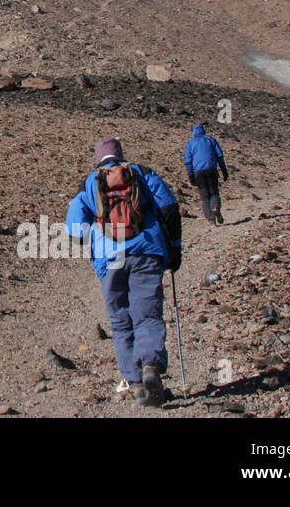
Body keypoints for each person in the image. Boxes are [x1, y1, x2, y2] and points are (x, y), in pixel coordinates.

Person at [66, 137, 182, 407]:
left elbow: (74, 229)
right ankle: (151, 363)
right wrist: (174, 248)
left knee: (120, 322)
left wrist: (96, 237)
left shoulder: (89, 183)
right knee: (147, 313)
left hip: (110, 259)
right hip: (147, 252)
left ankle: (137, 383)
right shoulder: (140, 172)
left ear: (99, 158)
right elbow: (169, 207)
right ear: (120, 154)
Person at [183, 123, 229, 226]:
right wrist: (224, 170)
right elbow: (220, 156)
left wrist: (190, 175)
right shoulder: (211, 140)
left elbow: (187, 161)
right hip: (212, 170)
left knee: (205, 197)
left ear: (193, 132)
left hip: (198, 173)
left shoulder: (190, 143)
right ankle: (215, 207)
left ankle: (211, 220)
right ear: (203, 130)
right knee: (214, 193)